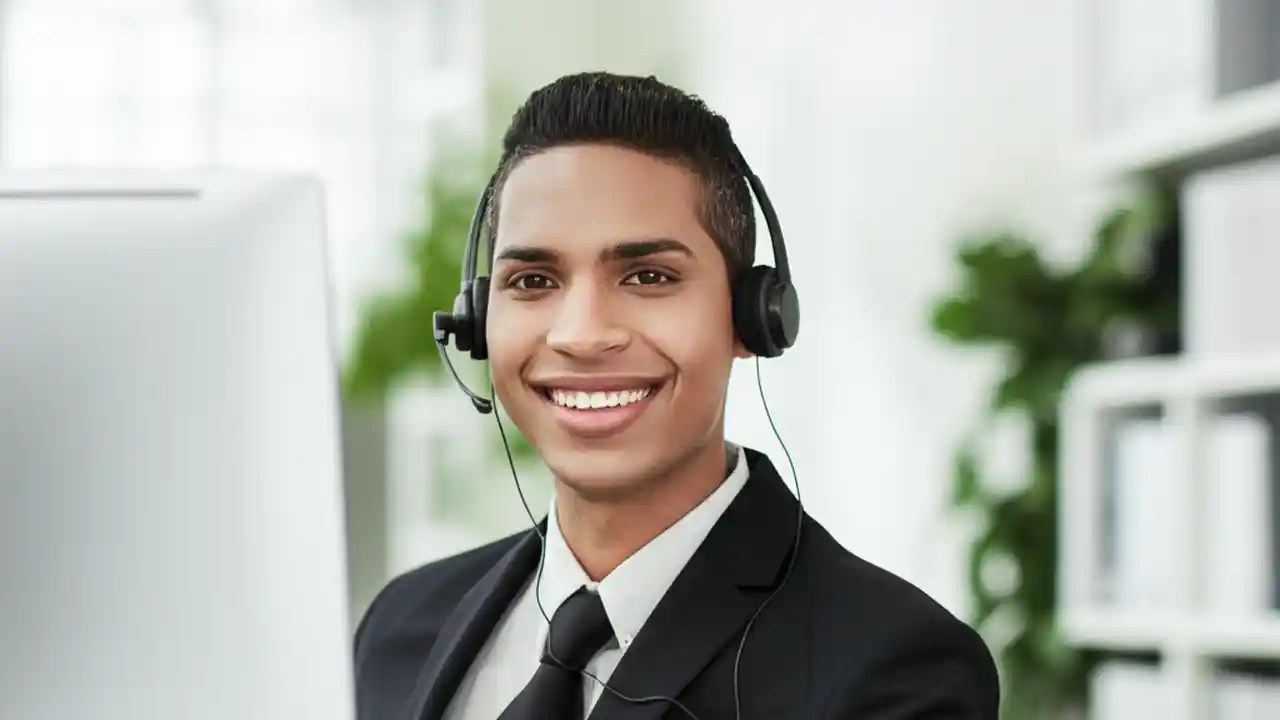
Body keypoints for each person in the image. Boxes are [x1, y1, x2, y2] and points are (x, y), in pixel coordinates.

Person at [352, 72, 999, 720]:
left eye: (648, 276)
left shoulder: (892, 669)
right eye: (534, 279)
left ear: (752, 317)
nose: (581, 335)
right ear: (477, 321)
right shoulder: (401, 628)